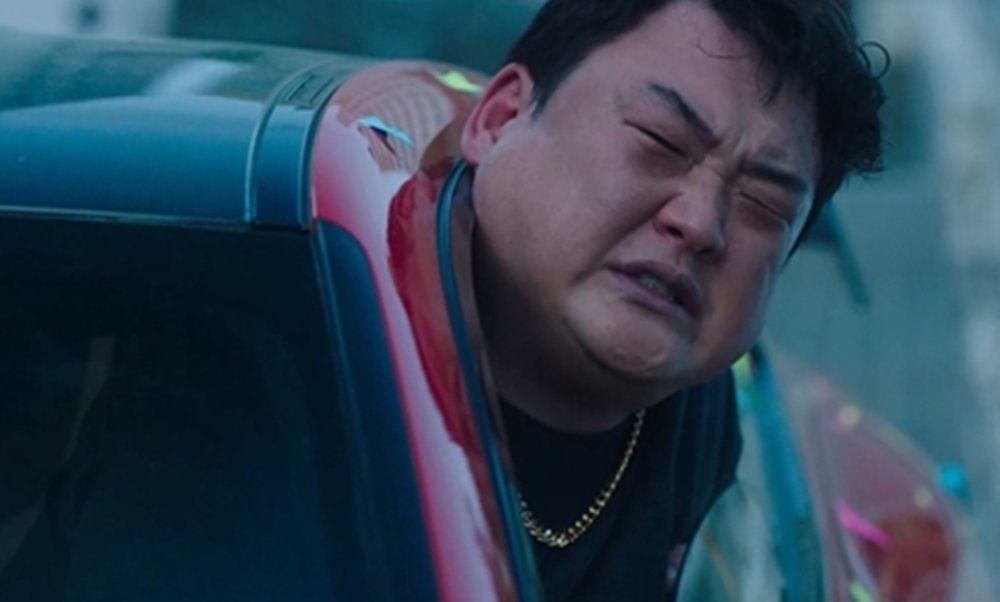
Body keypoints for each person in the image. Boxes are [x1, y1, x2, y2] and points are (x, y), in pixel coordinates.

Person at [458, 0, 886, 599]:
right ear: (500, 117)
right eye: (659, 139)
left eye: (762, 204)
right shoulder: (335, 352)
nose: (700, 223)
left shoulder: (729, 483)